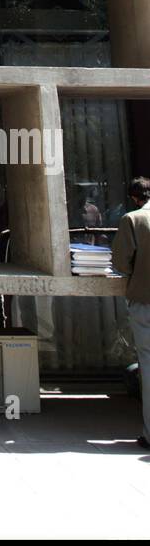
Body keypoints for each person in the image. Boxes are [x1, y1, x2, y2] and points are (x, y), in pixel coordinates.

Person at [112, 176, 150, 450]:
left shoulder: (133, 220)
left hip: (145, 300)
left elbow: (120, 262)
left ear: (135, 198)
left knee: (147, 366)